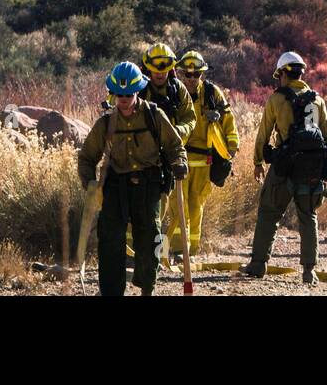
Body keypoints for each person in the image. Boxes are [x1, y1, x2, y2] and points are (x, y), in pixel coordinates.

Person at [77, 61, 186, 297]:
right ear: (113, 93)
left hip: (148, 186)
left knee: (150, 239)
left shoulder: (154, 115)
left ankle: (147, 287)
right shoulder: (105, 123)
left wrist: (179, 164)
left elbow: (175, 146)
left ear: (137, 91)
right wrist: (90, 183)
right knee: (110, 241)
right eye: (119, 94)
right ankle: (112, 292)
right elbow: (86, 157)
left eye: (128, 93)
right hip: (116, 187)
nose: (124, 99)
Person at [242, 51, 327, 285]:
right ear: (301, 72)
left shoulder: (276, 99)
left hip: (283, 168)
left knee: (268, 212)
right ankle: (309, 271)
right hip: (311, 171)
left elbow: (264, 133)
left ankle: (258, 264)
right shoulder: (318, 100)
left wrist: (257, 162)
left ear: (283, 73)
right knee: (308, 217)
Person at [164, 50, 239, 258]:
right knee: (178, 206)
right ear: (179, 73)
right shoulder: (173, 92)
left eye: (196, 74)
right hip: (179, 158)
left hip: (203, 161)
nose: (191, 78)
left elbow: (229, 122)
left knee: (196, 206)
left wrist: (230, 150)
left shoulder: (212, 94)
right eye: (187, 74)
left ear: (202, 75)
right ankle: (179, 249)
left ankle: (192, 250)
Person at [140, 42, 196, 228]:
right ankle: (130, 255)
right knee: (136, 208)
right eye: (156, 69)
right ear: (148, 67)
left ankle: (154, 252)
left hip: (166, 158)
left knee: (161, 206)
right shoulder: (139, 88)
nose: (160, 73)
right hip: (140, 157)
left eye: (164, 69)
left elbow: (190, 118)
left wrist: (176, 133)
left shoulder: (177, 89)